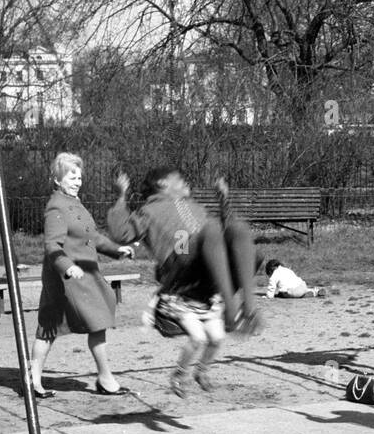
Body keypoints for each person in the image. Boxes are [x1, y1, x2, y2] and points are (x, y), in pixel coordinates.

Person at [107, 167, 261, 397]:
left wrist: (224, 201)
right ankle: (231, 311)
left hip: (205, 272)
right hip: (178, 270)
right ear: (162, 184)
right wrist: (121, 196)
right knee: (209, 230)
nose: (185, 181)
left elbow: (222, 239)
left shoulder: (196, 207)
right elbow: (121, 233)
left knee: (239, 231)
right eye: (179, 179)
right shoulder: (149, 210)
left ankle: (248, 307)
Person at [29, 153, 135, 399]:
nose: (77, 181)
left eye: (79, 176)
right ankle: (33, 380)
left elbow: (93, 237)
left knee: (98, 320)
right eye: (71, 176)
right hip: (65, 278)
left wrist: (116, 249)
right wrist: (67, 267)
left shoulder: (75, 203)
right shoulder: (56, 207)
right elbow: (52, 246)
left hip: (85, 275)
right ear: (57, 180)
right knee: (49, 325)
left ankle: (105, 378)